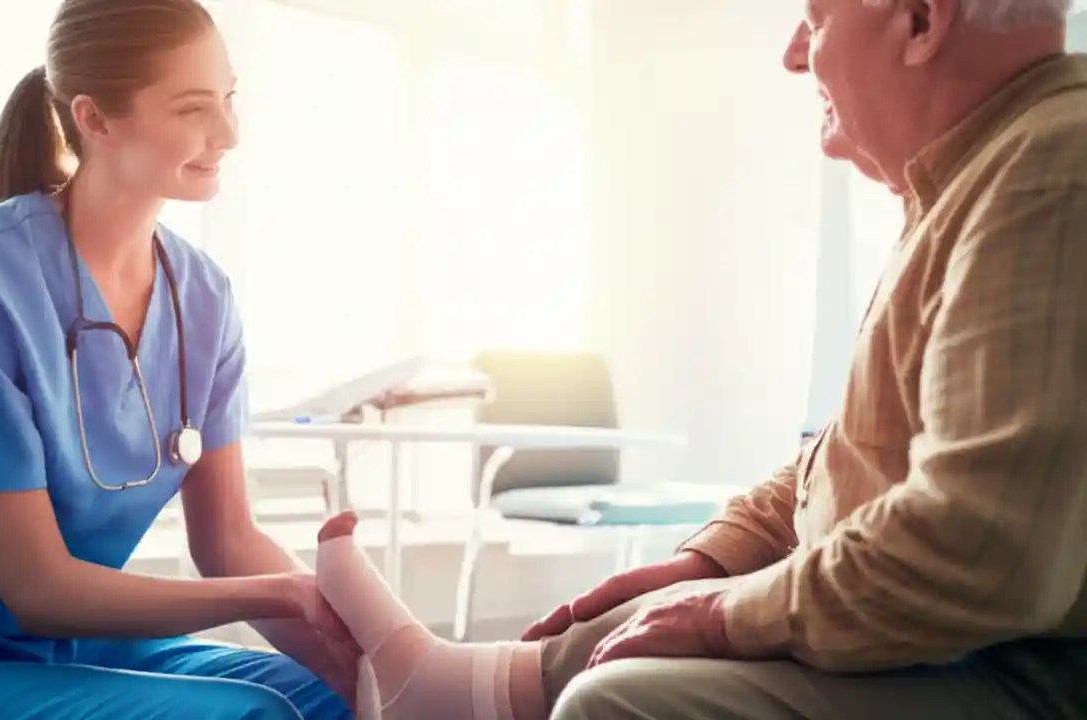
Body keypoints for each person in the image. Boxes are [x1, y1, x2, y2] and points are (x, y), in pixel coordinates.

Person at [300, 0, 1087, 719]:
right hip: (985, 638)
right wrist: (711, 560)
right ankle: (436, 687)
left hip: (1026, 664)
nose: (791, 54)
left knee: (617, 703)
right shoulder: (978, 179)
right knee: (648, 620)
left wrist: (723, 615)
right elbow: (860, 451)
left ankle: (439, 693)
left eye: (814, 20)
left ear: (920, 20)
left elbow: (981, 557)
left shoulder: (1046, 179)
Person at [0, 2, 358, 718]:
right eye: (194, 108)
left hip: (56, 648)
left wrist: (382, 664)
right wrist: (283, 594)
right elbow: (37, 588)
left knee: (334, 701)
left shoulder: (204, 297)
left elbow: (228, 543)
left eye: (228, 98)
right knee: (248, 716)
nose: (229, 133)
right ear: (94, 120)